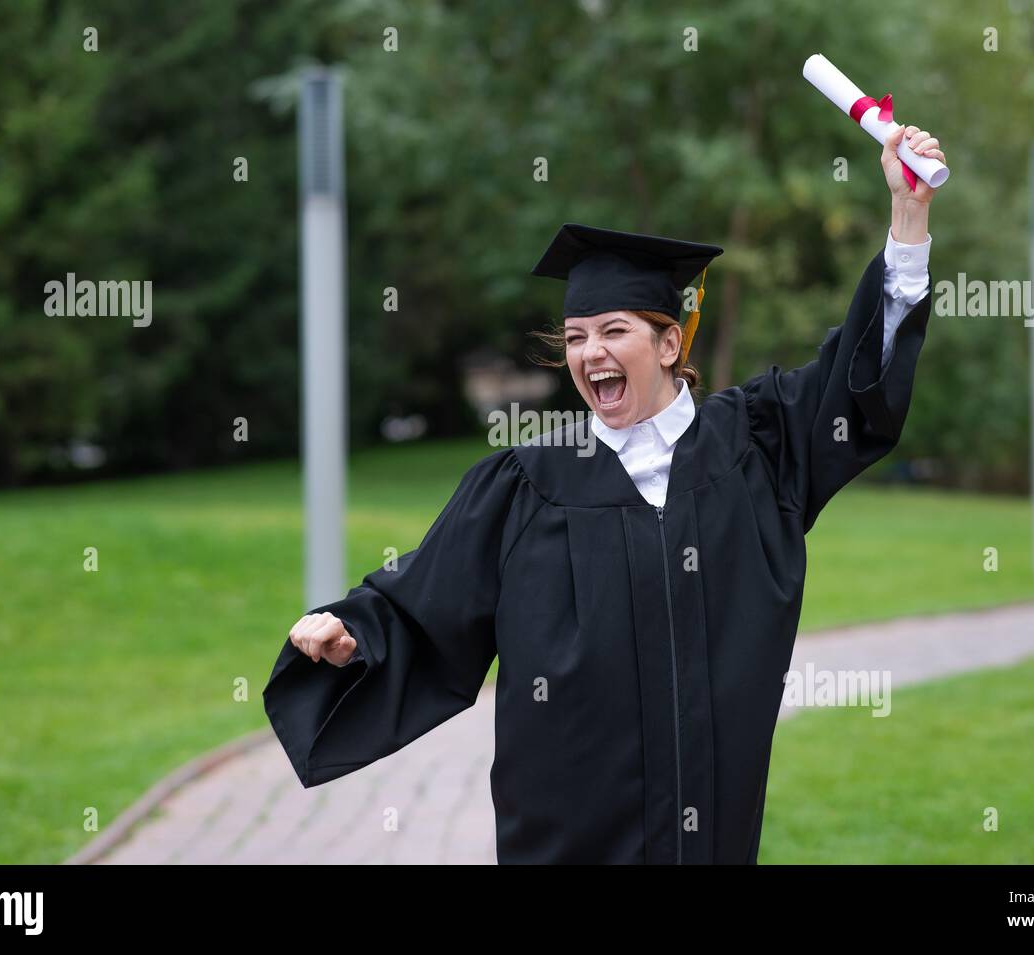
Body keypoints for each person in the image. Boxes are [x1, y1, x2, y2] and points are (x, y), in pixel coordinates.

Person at [264, 123, 944, 864]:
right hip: (565, 839)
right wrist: (354, 631)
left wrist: (908, 222)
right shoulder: (525, 487)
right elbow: (426, 602)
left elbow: (860, 390)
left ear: (667, 343)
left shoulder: (758, 446)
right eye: (577, 335)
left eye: (612, 330)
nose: (590, 353)